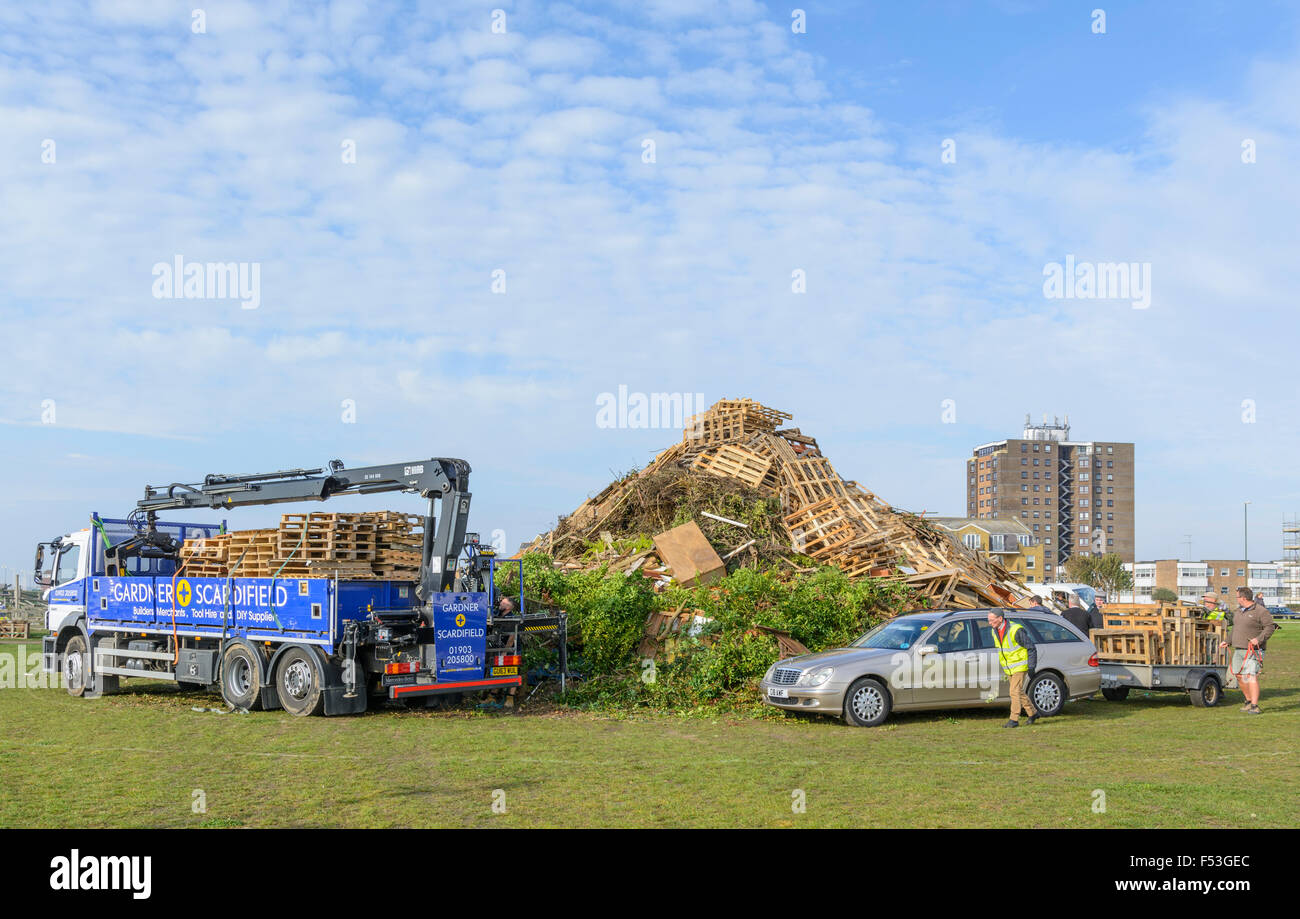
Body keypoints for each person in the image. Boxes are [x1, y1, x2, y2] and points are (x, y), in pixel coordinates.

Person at [987, 609, 1038, 727]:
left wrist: (1031, 667)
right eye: (988, 620)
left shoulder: (1015, 630)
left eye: (991, 620)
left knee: (1013, 692)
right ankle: (1033, 713)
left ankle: (1014, 719)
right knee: (1018, 692)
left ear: (1000, 619)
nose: (989, 623)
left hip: (1020, 666)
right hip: (1009, 667)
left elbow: (1031, 647)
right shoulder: (994, 630)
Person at [1230, 587, 1276, 714]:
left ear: (1243, 598)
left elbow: (1270, 627)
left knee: (1251, 676)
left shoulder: (1261, 611)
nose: (1237, 599)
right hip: (1238, 649)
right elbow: (1235, 628)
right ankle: (1248, 701)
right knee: (1239, 676)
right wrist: (1227, 641)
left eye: (1237, 597)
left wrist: (1259, 639)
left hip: (1254, 650)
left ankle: (1255, 706)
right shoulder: (1238, 611)